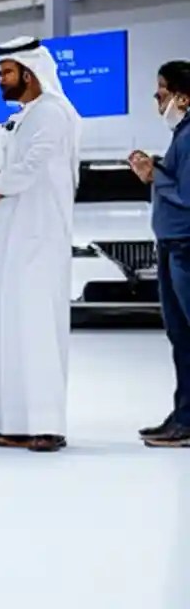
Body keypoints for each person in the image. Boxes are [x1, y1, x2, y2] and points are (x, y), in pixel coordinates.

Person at [0, 36, 82, 453]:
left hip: (40, 237)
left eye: (6, 72)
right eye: (0, 72)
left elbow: (30, 166)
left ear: (30, 72)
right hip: (13, 236)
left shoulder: (53, 113)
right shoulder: (23, 116)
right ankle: (13, 423)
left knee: (36, 327)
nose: (1, 79)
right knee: (10, 326)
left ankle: (46, 425)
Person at [129, 59, 190, 448]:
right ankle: (183, 414)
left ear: (183, 97)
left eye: (162, 93)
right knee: (180, 337)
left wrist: (155, 174)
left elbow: (186, 194)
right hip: (172, 247)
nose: (157, 99)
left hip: (185, 246)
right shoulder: (181, 135)